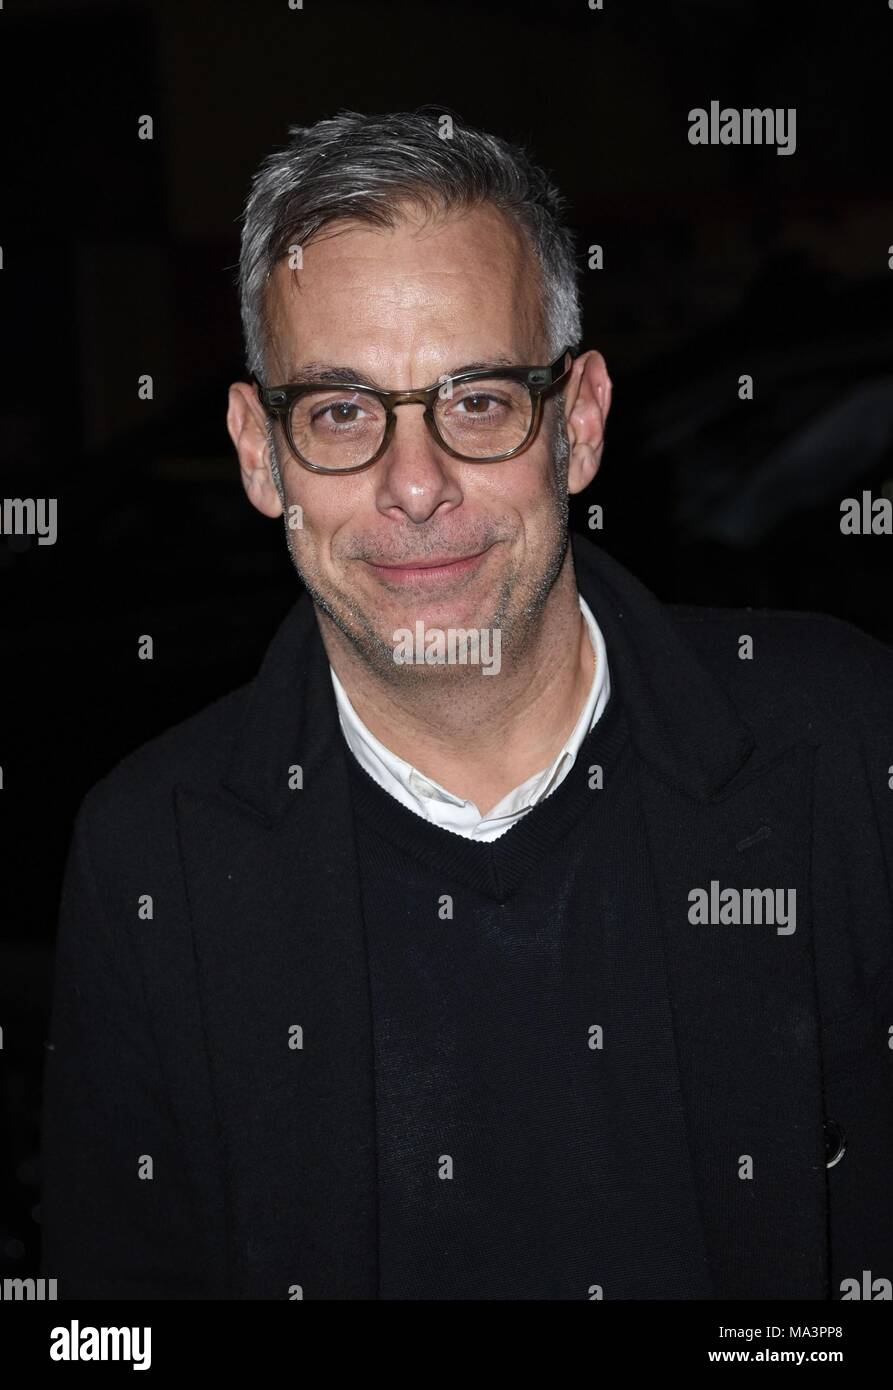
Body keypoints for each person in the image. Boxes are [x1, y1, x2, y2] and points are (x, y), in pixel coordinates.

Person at [40, 108, 893, 1300]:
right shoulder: (150, 851)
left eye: (478, 399)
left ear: (577, 423)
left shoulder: (847, 741)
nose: (415, 485)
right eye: (340, 412)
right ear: (257, 452)